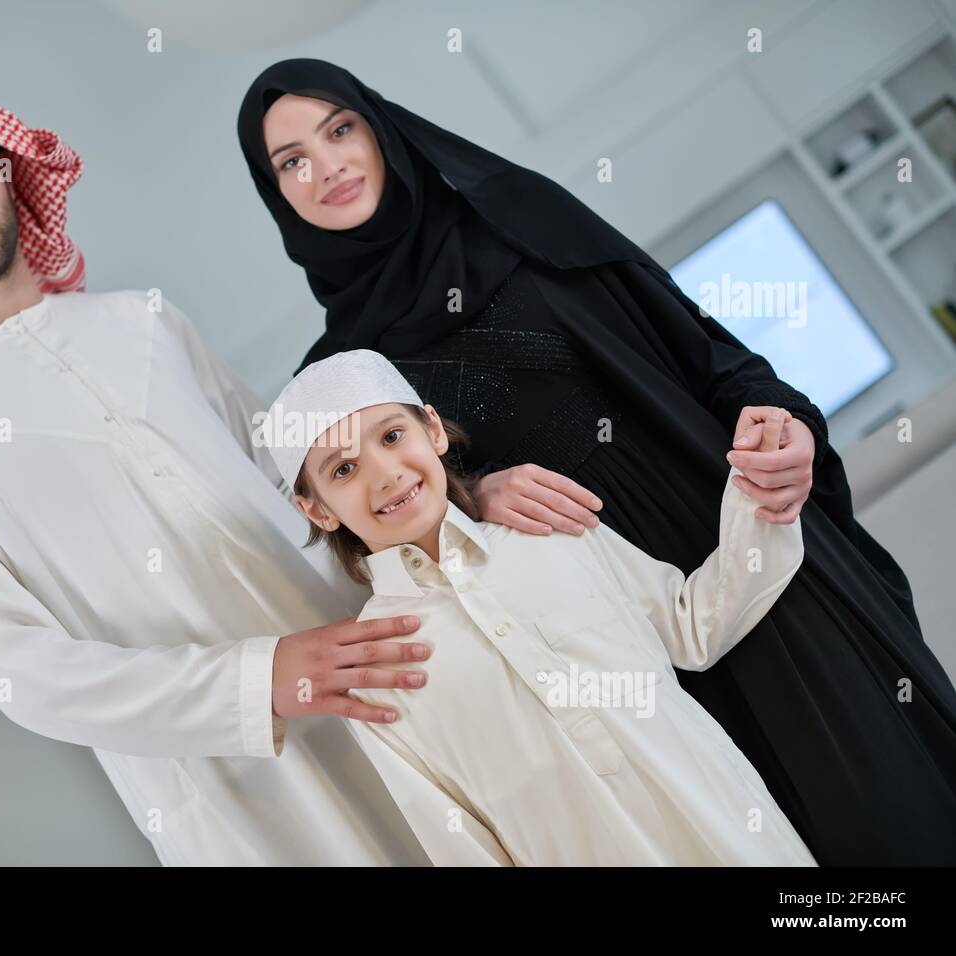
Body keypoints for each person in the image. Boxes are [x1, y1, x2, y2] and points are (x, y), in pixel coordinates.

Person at [236, 58, 956, 864]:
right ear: (277, 196)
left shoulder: (518, 214)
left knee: (887, 813)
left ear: (380, 128)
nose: (325, 165)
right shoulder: (341, 376)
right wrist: (472, 490)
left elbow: (707, 351)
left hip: (735, 549)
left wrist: (786, 427)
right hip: (597, 635)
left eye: (340, 130)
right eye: (291, 161)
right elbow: (406, 530)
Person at [0, 73, 444, 866]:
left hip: (385, 674)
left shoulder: (143, 321)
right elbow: (22, 672)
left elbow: (309, 479)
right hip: (243, 788)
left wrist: (463, 498)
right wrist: (257, 682)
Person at [262, 348, 814, 865]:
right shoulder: (372, 671)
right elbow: (461, 844)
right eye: (343, 470)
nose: (384, 474)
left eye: (392, 435)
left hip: (734, 834)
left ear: (432, 429)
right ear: (317, 511)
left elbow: (694, 626)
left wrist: (758, 491)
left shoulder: (551, 533)